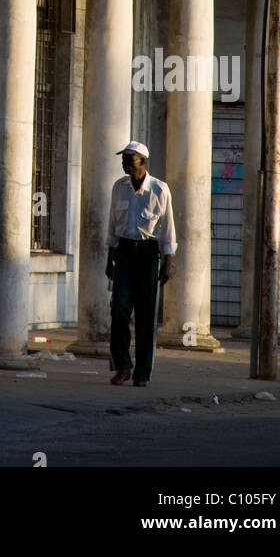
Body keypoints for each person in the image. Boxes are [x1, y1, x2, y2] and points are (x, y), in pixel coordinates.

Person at [105, 141, 177, 387]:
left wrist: (168, 261)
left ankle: (142, 372)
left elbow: (167, 228)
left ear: (143, 161)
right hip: (123, 252)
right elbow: (112, 224)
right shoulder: (119, 188)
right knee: (119, 310)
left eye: (130, 159)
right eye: (124, 159)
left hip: (147, 254)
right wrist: (109, 257)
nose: (125, 163)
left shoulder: (159, 189)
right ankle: (123, 365)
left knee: (146, 316)